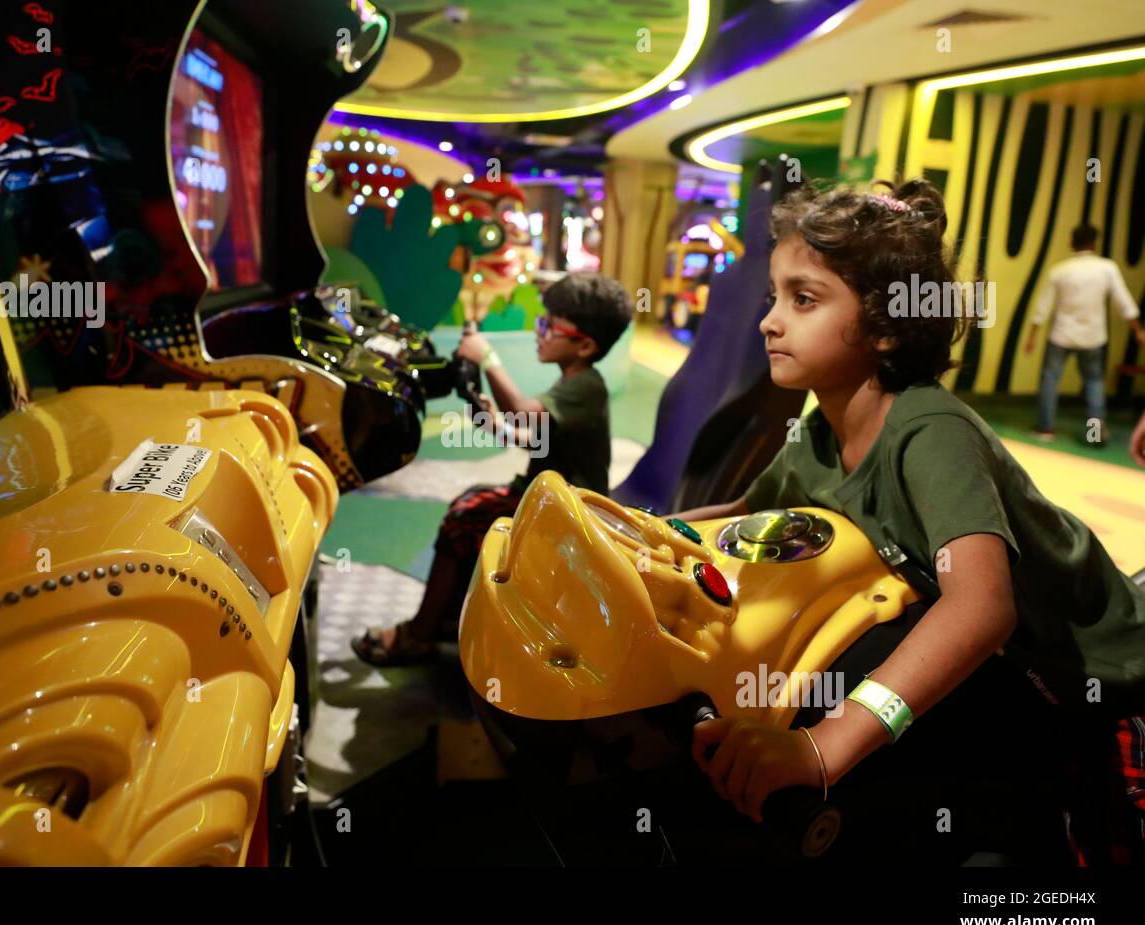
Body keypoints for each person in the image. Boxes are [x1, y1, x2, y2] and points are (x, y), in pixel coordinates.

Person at [674, 180, 1145, 864]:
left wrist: (823, 746)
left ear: (888, 324)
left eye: (802, 300)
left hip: (1102, 673)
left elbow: (981, 611)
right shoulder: (819, 432)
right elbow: (742, 516)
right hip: (1010, 678)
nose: (769, 321)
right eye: (776, 296)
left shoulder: (929, 430)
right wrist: (637, 533)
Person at [353, 274, 631, 665]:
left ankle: (419, 635)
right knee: (472, 501)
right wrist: (497, 425)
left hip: (568, 513)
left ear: (584, 345)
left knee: (465, 518)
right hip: (545, 498)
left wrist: (488, 358)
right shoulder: (575, 382)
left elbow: (523, 413)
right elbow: (540, 436)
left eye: (550, 326)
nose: (541, 332)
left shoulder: (586, 387)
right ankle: (450, 616)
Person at [1024, 223, 1145, 443]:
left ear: (1073, 242)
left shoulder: (1060, 270)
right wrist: (1138, 331)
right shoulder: (1107, 268)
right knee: (1094, 382)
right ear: (1094, 242)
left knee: (1050, 381)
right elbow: (1124, 302)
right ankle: (1093, 435)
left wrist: (1032, 335)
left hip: (1060, 335)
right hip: (1093, 337)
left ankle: (1045, 429)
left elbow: (1043, 307)